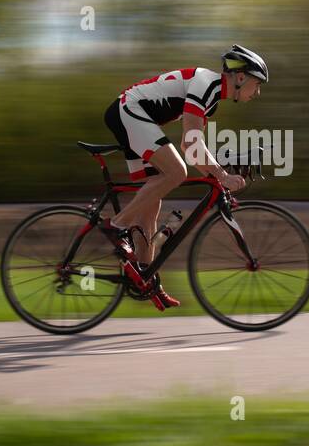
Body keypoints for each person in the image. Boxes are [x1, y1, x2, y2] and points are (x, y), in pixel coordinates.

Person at [100, 44, 269, 310]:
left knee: (150, 206)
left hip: (134, 116)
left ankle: (146, 280)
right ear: (240, 77)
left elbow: (196, 145)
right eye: (256, 84)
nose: (257, 92)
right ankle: (117, 225)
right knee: (176, 172)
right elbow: (190, 145)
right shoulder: (207, 84)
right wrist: (222, 175)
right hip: (129, 110)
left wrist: (217, 173)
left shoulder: (211, 97)